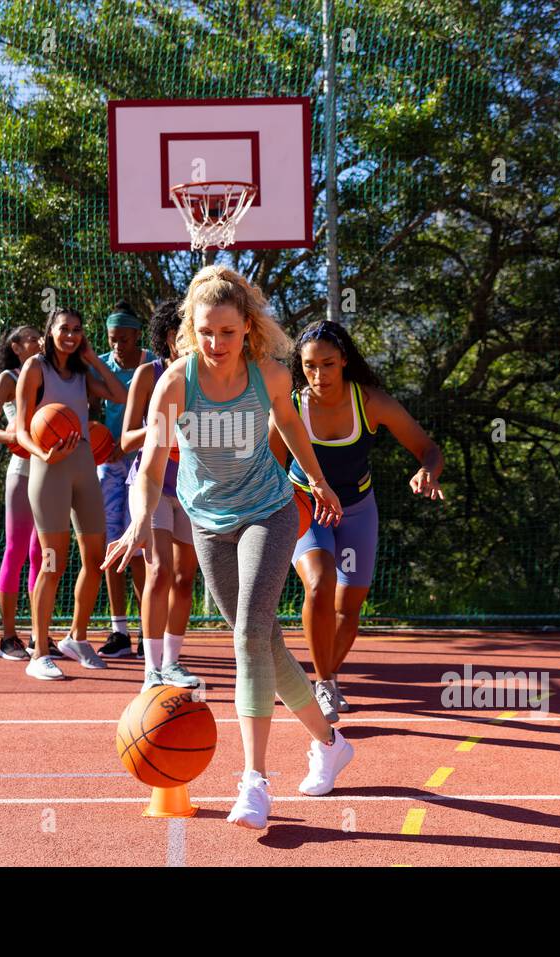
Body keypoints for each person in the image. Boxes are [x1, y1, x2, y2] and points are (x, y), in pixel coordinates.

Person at [104, 265, 352, 830]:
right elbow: (149, 466)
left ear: (248, 331)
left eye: (228, 333)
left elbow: (289, 425)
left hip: (268, 511)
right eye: (206, 332)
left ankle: (255, 783)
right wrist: (140, 521)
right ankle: (330, 743)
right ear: (192, 329)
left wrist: (318, 481)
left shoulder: (269, 376)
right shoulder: (174, 382)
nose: (217, 344)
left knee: (246, 634)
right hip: (208, 522)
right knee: (264, 643)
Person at [270, 320, 445, 720]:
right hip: (307, 508)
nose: (319, 375)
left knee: (348, 608)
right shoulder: (290, 407)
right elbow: (270, 468)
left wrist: (428, 472)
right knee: (318, 582)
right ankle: (326, 684)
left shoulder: (371, 402)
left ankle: (322, 679)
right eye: (310, 366)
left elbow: (428, 449)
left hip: (357, 510)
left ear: (344, 361)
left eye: (328, 364)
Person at [15, 307, 128, 680]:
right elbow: (20, 429)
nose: (72, 335)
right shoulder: (35, 368)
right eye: (65, 329)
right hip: (49, 467)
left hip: (83, 465)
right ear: (50, 331)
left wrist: (93, 357)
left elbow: (121, 394)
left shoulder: (81, 373)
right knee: (52, 562)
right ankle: (39, 651)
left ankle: (77, 637)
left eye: (78, 330)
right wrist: (41, 452)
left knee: (96, 557)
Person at [119, 299, 199, 691]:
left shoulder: (207, 376)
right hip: (151, 484)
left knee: (186, 577)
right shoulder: (148, 375)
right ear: (169, 337)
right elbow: (125, 438)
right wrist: (161, 428)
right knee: (159, 570)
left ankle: (172, 662)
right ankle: (151, 669)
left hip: (191, 488)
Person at [90, 302, 154, 659]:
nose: (117, 346)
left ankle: (148, 630)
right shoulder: (100, 363)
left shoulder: (151, 365)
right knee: (112, 547)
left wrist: (127, 442)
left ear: (137, 336)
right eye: (112, 339)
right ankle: (119, 632)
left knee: (140, 551)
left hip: (141, 462)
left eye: (124, 339)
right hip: (108, 465)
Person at [0, 325, 45, 660]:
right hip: (22, 470)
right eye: (31, 337)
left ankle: (38, 634)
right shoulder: (9, 378)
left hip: (51, 470)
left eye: (39, 335)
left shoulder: (52, 372)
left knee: (41, 554)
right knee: (16, 549)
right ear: (16, 346)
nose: (38, 340)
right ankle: (8, 636)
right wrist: (13, 437)